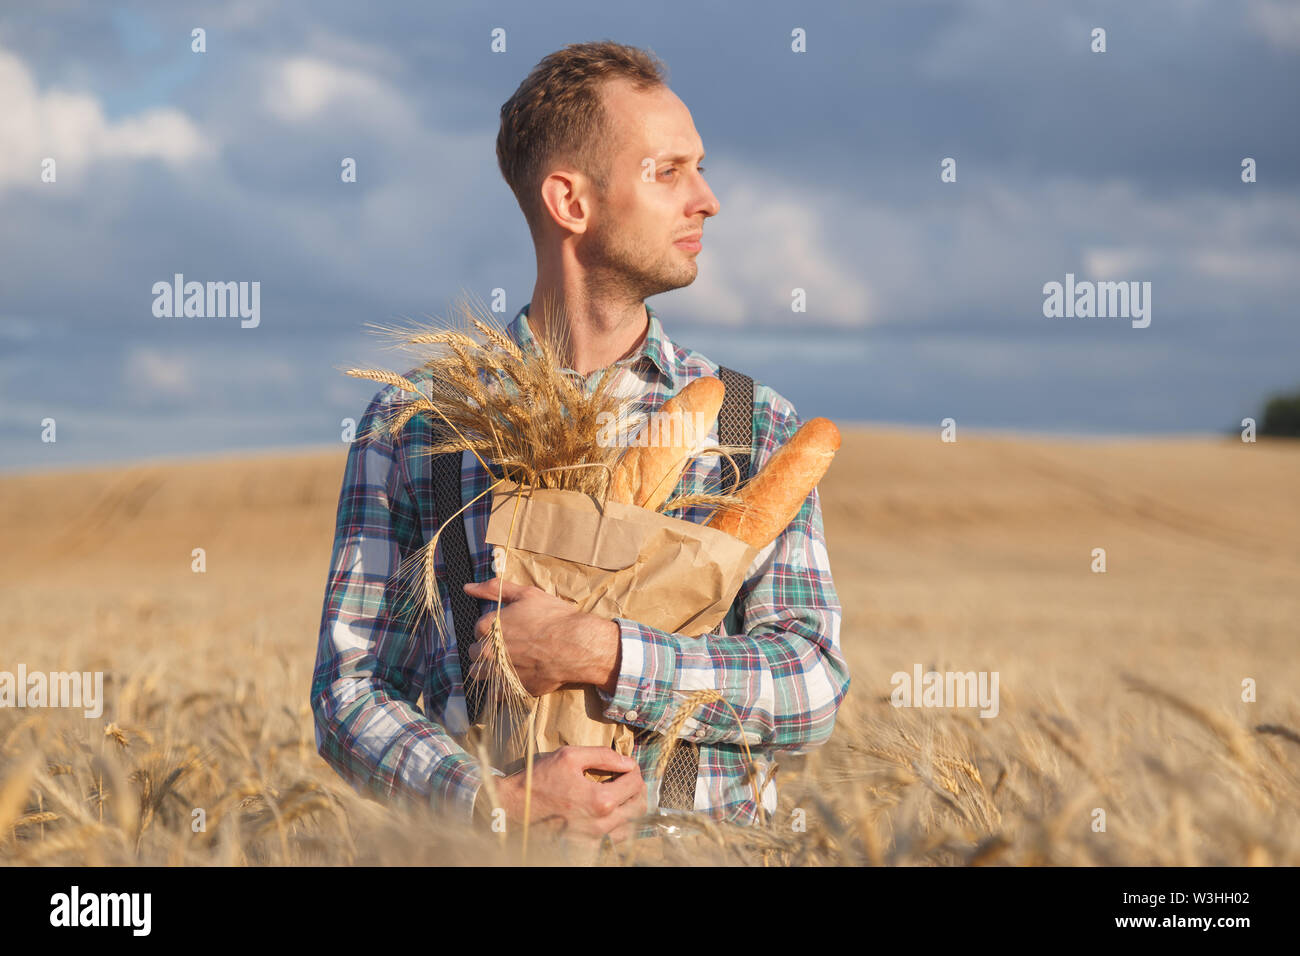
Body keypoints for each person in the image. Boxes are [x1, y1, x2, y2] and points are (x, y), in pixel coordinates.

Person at [311, 40, 849, 847]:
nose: (706, 199)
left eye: (697, 167)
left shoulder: (751, 422)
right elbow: (351, 690)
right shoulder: (421, 424)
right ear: (571, 201)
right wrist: (491, 800)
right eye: (667, 171)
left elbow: (811, 684)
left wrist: (605, 653)